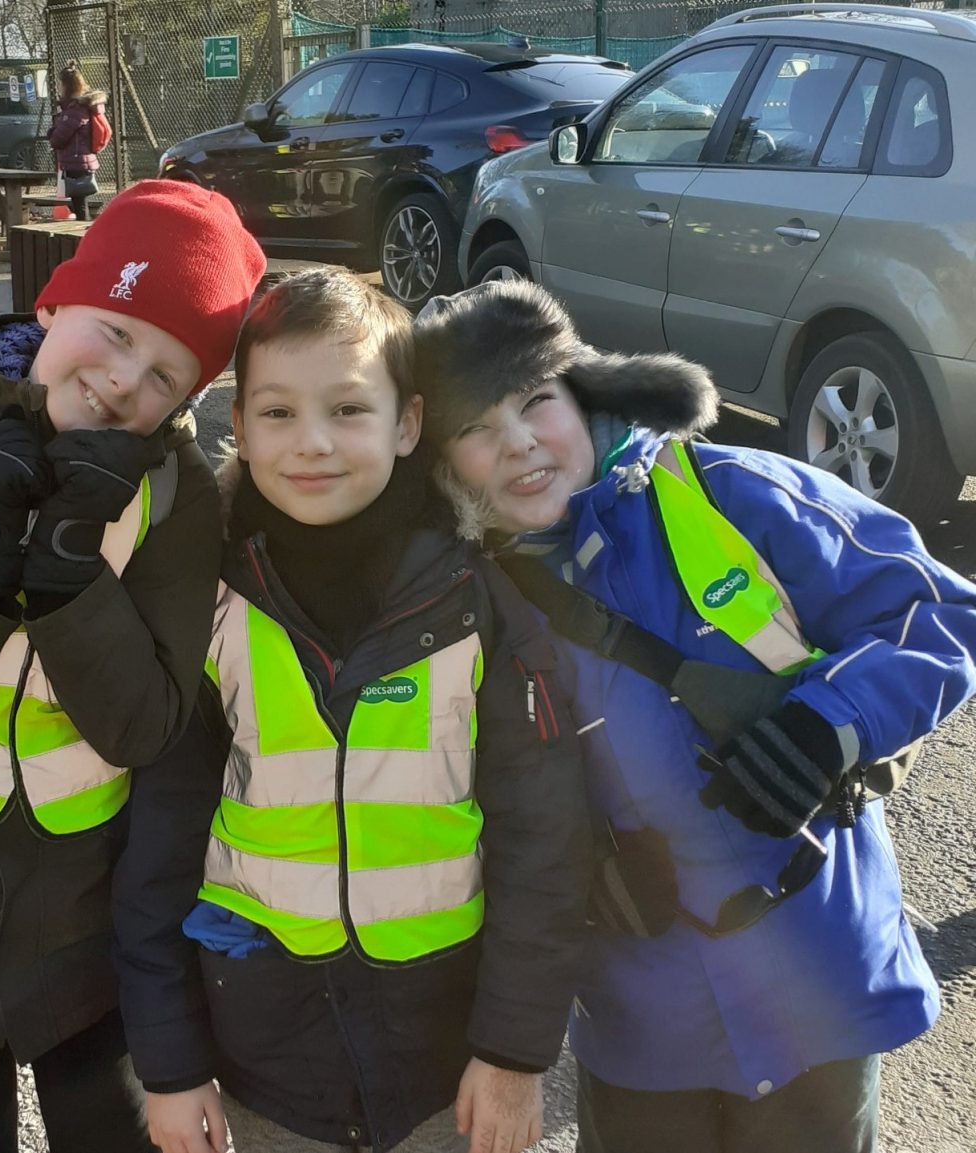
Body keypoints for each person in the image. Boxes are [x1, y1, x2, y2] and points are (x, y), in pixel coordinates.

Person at [414, 279, 976, 1153]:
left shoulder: (731, 493)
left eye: (535, 402)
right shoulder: (464, 600)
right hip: (642, 1023)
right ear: (443, 460)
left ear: (587, 391)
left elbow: (942, 613)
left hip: (816, 995)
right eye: (475, 428)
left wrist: (831, 722)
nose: (518, 442)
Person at [113, 267, 591, 1153]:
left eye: (349, 409)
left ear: (407, 423)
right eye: (280, 413)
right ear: (241, 430)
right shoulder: (210, 602)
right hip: (266, 1064)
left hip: (446, 1069)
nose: (313, 443)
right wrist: (171, 1065)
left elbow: (545, 845)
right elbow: (157, 849)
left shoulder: (480, 605)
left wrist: (515, 1053)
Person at [0, 180, 266, 1153]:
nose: (126, 380)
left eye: (166, 375)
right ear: (52, 306)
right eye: (115, 332)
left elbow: (142, 725)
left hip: (92, 933)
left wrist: (71, 571)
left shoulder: (173, 499)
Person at [47, 60, 107, 221]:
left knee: (79, 203)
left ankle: (81, 237)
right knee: (78, 202)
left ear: (67, 86)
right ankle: (82, 234)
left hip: (76, 161)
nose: (58, 87)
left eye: (60, 84)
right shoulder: (79, 108)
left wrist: (52, 132)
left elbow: (58, 139)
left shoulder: (75, 110)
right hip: (80, 160)